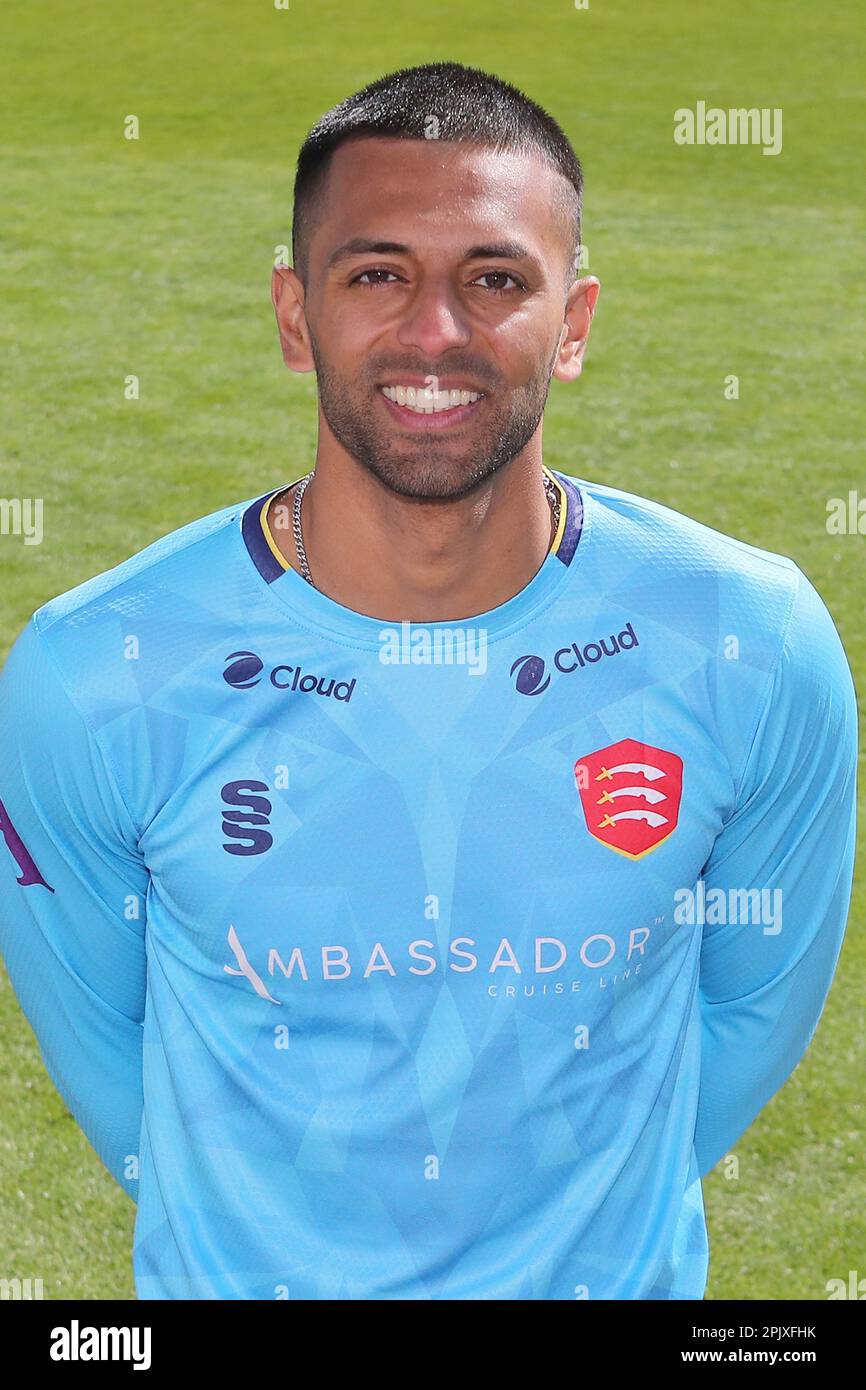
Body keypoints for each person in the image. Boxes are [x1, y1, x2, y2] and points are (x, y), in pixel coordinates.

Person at [0, 62, 857, 1300]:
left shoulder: (747, 641)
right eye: (376, 274)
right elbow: (114, 1068)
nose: (434, 333)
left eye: (494, 279)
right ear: (296, 316)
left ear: (572, 324)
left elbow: (747, 1022)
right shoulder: (94, 676)